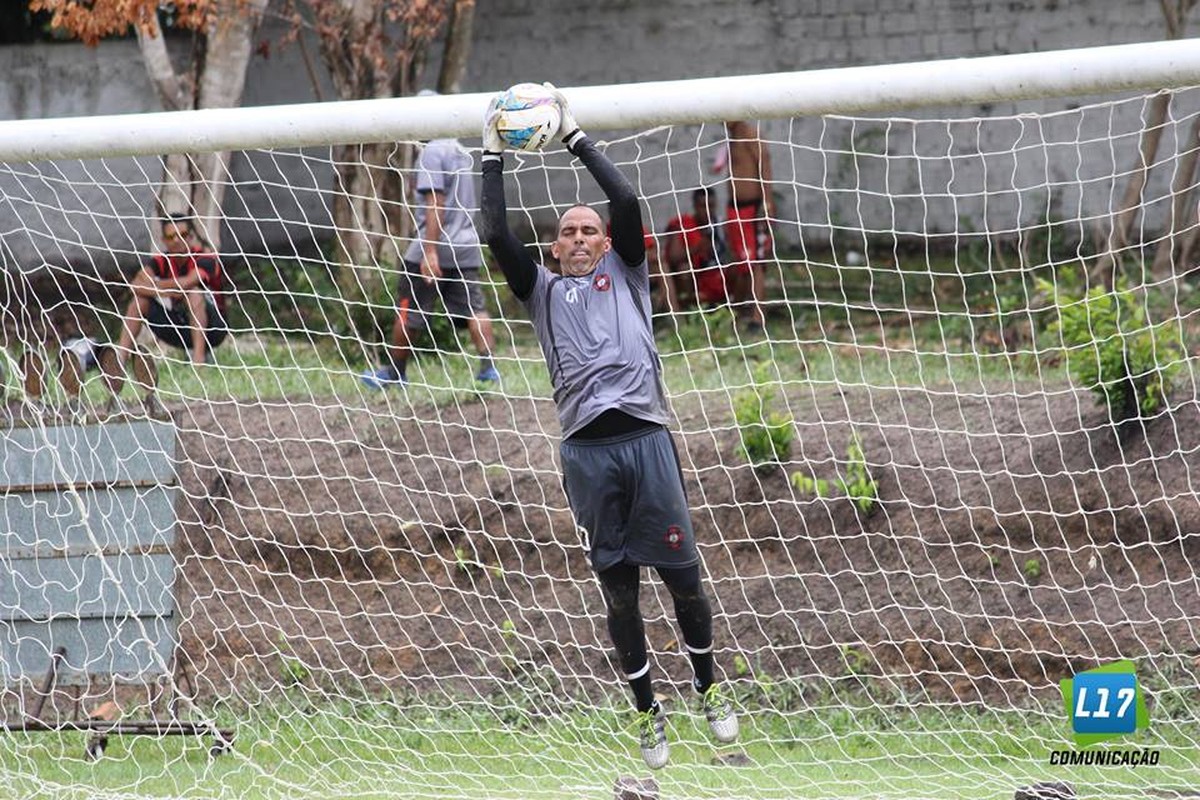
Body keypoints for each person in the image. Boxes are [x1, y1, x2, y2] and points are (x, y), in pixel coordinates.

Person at [480, 84, 738, 770]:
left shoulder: (628, 272)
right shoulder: (540, 292)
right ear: (555, 247)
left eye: (588, 229)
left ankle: (710, 688)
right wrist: (491, 156)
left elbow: (627, 204)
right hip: (587, 457)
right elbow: (496, 235)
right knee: (620, 592)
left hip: (647, 442)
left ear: (606, 242)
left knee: (683, 577)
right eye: (567, 231)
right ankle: (648, 712)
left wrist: (574, 138)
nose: (580, 237)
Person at [362, 94, 499, 388]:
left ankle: (395, 372)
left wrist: (430, 251)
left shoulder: (432, 153)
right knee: (475, 308)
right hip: (465, 246)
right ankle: (489, 370)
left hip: (433, 247)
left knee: (408, 309)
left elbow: (435, 203)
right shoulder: (461, 152)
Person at [117, 213, 227, 366]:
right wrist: (166, 292)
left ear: (190, 237)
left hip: (213, 329)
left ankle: (199, 362)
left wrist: (155, 284)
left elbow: (187, 283)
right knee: (139, 301)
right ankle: (119, 361)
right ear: (164, 241)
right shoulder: (161, 261)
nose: (176, 240)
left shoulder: (205, 258)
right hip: (178, 326)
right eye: (170, 237)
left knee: (194, 293)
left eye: (182, 235)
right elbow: (135, 286)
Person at [717, 120, 775, 331]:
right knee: (742, 262)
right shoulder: (730, 139)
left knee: (756, 262)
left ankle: (758, 317)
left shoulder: (750, 134)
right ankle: (739, 310)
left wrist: (767, 204)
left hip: (752, 208)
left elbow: (764, 166)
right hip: (734, 209)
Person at [659, 186, 727, 313]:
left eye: (711, 206)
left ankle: (739, 311)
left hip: (717, 276)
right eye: (702, 206)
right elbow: (673, 258)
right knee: (684, 270)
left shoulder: (720, 226)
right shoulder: (684, 225)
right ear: (695, 206)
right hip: (694, 279)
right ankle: (690, 310)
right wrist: (697, 248)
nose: (707, 211)